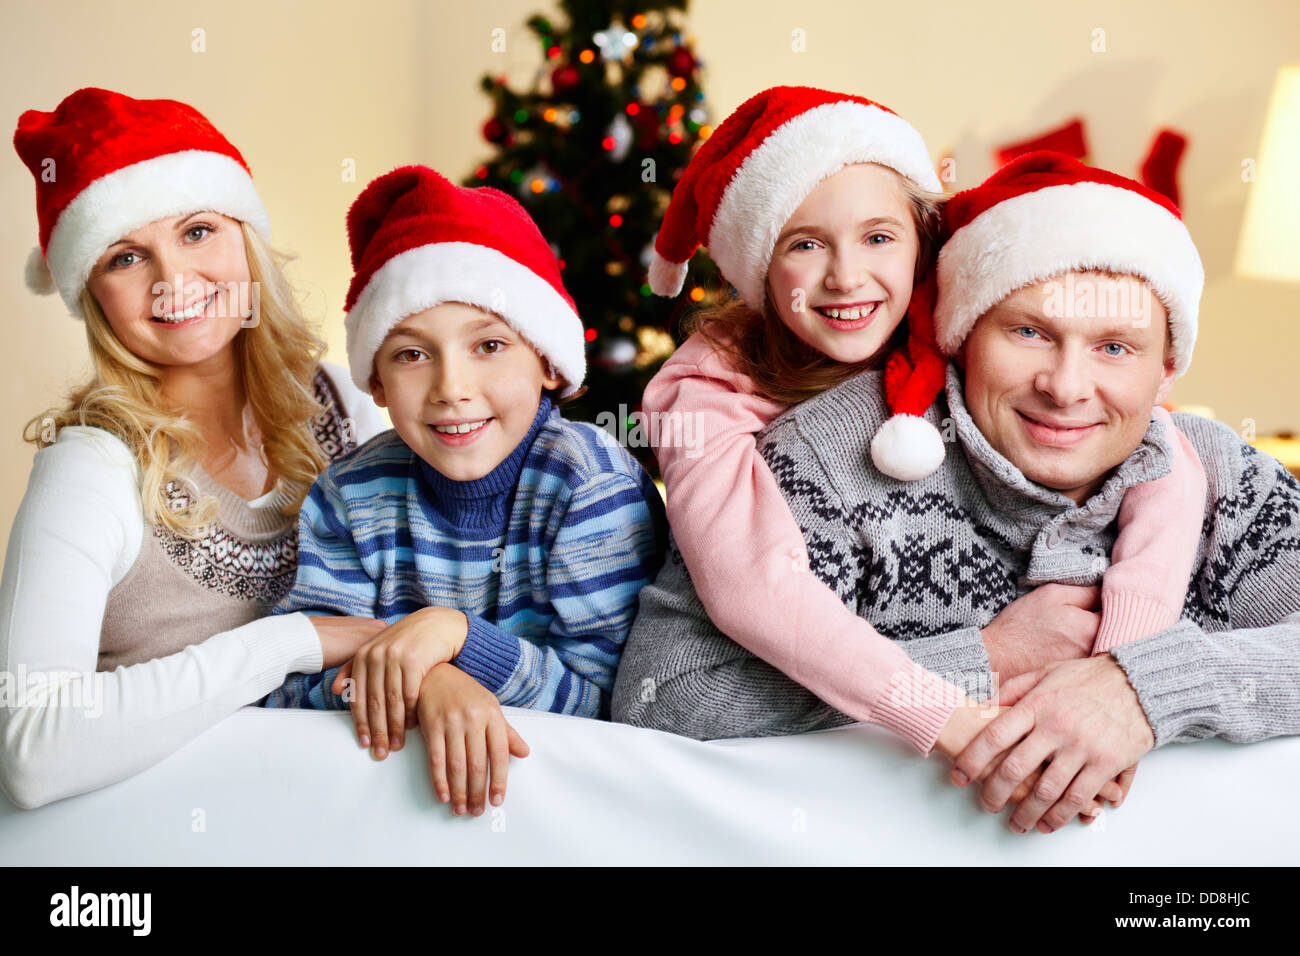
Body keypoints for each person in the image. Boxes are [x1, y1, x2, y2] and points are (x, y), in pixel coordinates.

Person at [613, 151, 1300, 831]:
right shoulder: (830, 457)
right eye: (1028, 332)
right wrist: (980, 656)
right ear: (962, 334)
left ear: (1168, 370)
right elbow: (665, 698)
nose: (1065, 387)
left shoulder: (1220, 476)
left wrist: (1142, 689)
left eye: (1115, 347)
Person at [633, 87, 1205, 760]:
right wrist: (956, 696)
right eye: (806, 244)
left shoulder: (974, 333)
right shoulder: (705, 391)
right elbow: (753, 587)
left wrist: (1117, 672)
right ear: (760, 268)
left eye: (878, 237)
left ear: (921, 243)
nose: (847, 278)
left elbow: (1163, 460)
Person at [0, 88, 390, 810]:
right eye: (124, 257)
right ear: (91, 292)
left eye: (198, 231)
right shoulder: (91, 469)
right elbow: (28, 750)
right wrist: (292, 643)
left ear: (245, 235)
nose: (173, 279)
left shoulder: (348, 404)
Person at [263, 165, 667, 817]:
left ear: (546, 360)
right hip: (388, 813)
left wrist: (457, 636)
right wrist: (430, 682)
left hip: (563, 814)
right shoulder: (349, 495)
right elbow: (285, 676)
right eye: (411, 355)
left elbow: (614, 707)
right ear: (375, 383)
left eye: (488, 345)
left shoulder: (587, 485)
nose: (451, 387)